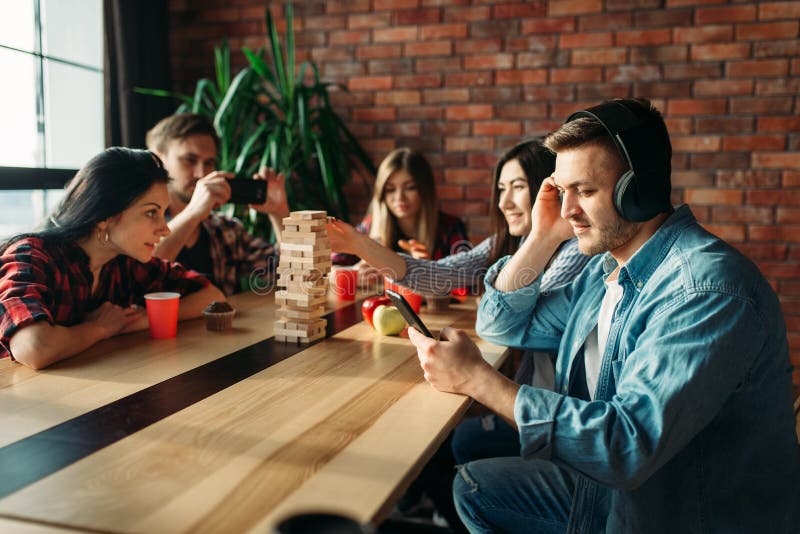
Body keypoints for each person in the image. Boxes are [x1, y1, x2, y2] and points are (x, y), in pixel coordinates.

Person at [407, 99, 800, 533]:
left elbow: (625, 446)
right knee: (476, 488)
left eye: (586, 191)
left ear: (640, 191)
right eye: (562, 190)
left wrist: (478, 380)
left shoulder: (706, 290)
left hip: (680, 514)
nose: (568, 210)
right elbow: (500, 324)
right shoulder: (605, 270)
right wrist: (541, 235)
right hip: (614, 491)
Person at [0, 148, 225, 370]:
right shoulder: (31, 257)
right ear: (104, 217)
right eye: (151, 213)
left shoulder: (124, 262)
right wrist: (100, 328)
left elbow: (212, 297)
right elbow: (33, 347)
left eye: (163, 213)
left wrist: (141, 319)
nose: (165, 230)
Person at [146, 113, 289, 295]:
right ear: (159, 160)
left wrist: (279, 212)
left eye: (209, 163)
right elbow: (139, 271)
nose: (201, 173)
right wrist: (193, 213)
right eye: (189, 160)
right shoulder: (139, 224)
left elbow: (288, 274)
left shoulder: (225, 230)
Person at [331, 147, 470, 282]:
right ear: (381, 194)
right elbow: (325, 268)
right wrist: (354, 274)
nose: (399, 198)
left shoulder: (450, 227)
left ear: (425, 189)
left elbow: (471, 278)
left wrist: (429, 271)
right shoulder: (369, 226)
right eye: (390, 189)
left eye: (410, 188)